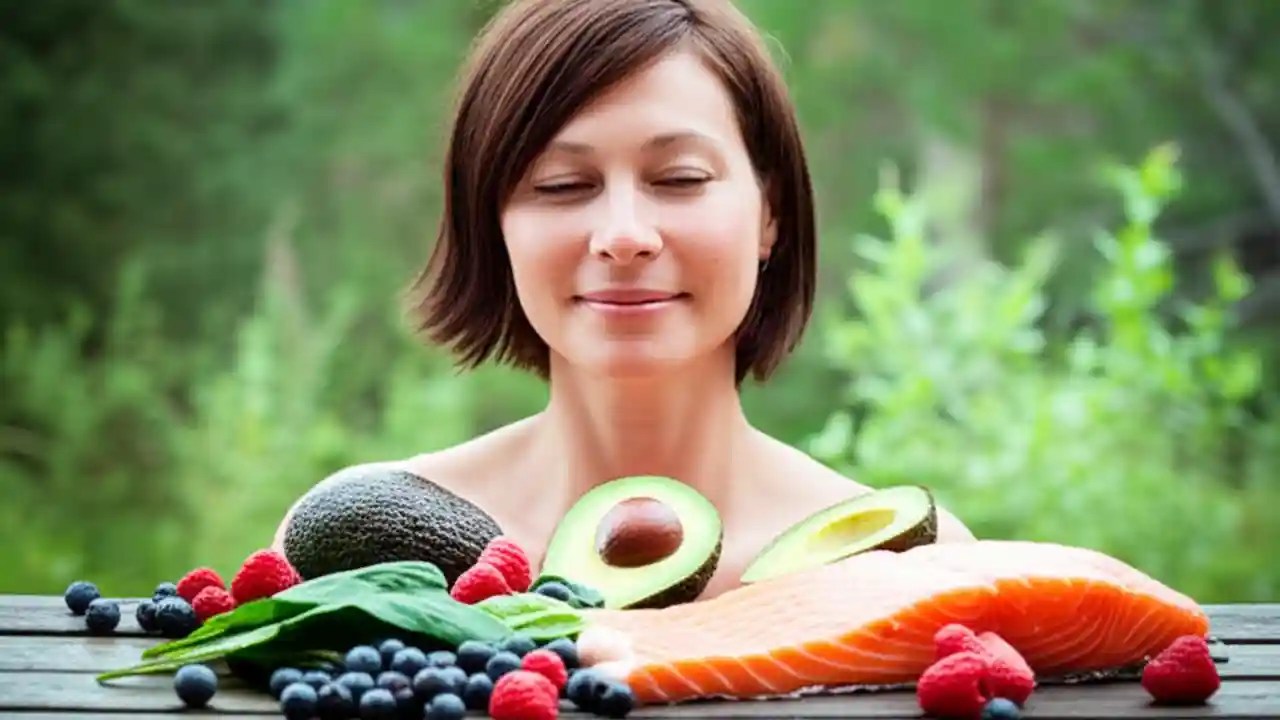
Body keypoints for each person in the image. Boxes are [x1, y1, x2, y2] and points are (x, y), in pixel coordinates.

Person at [272, 0, 974, 600]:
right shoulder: (359, 541)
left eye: (680, 177)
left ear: (770, 213)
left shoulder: (907, 559)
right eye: (561, 186)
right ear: (494, 226)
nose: (623, 236)